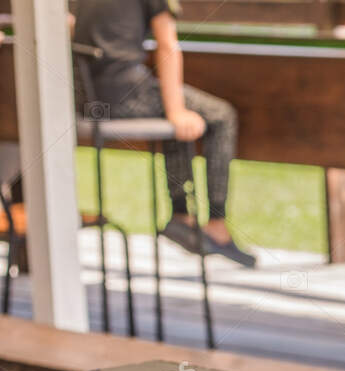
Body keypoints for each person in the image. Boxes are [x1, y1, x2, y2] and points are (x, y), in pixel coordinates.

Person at [73, 0, 255, 266]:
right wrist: (176, 111)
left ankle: (182, 214)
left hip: (88, 97)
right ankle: (215, 223)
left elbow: (70, 26)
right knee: (221, 115)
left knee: (175, 110)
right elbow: (167, 44)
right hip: (125, 93)